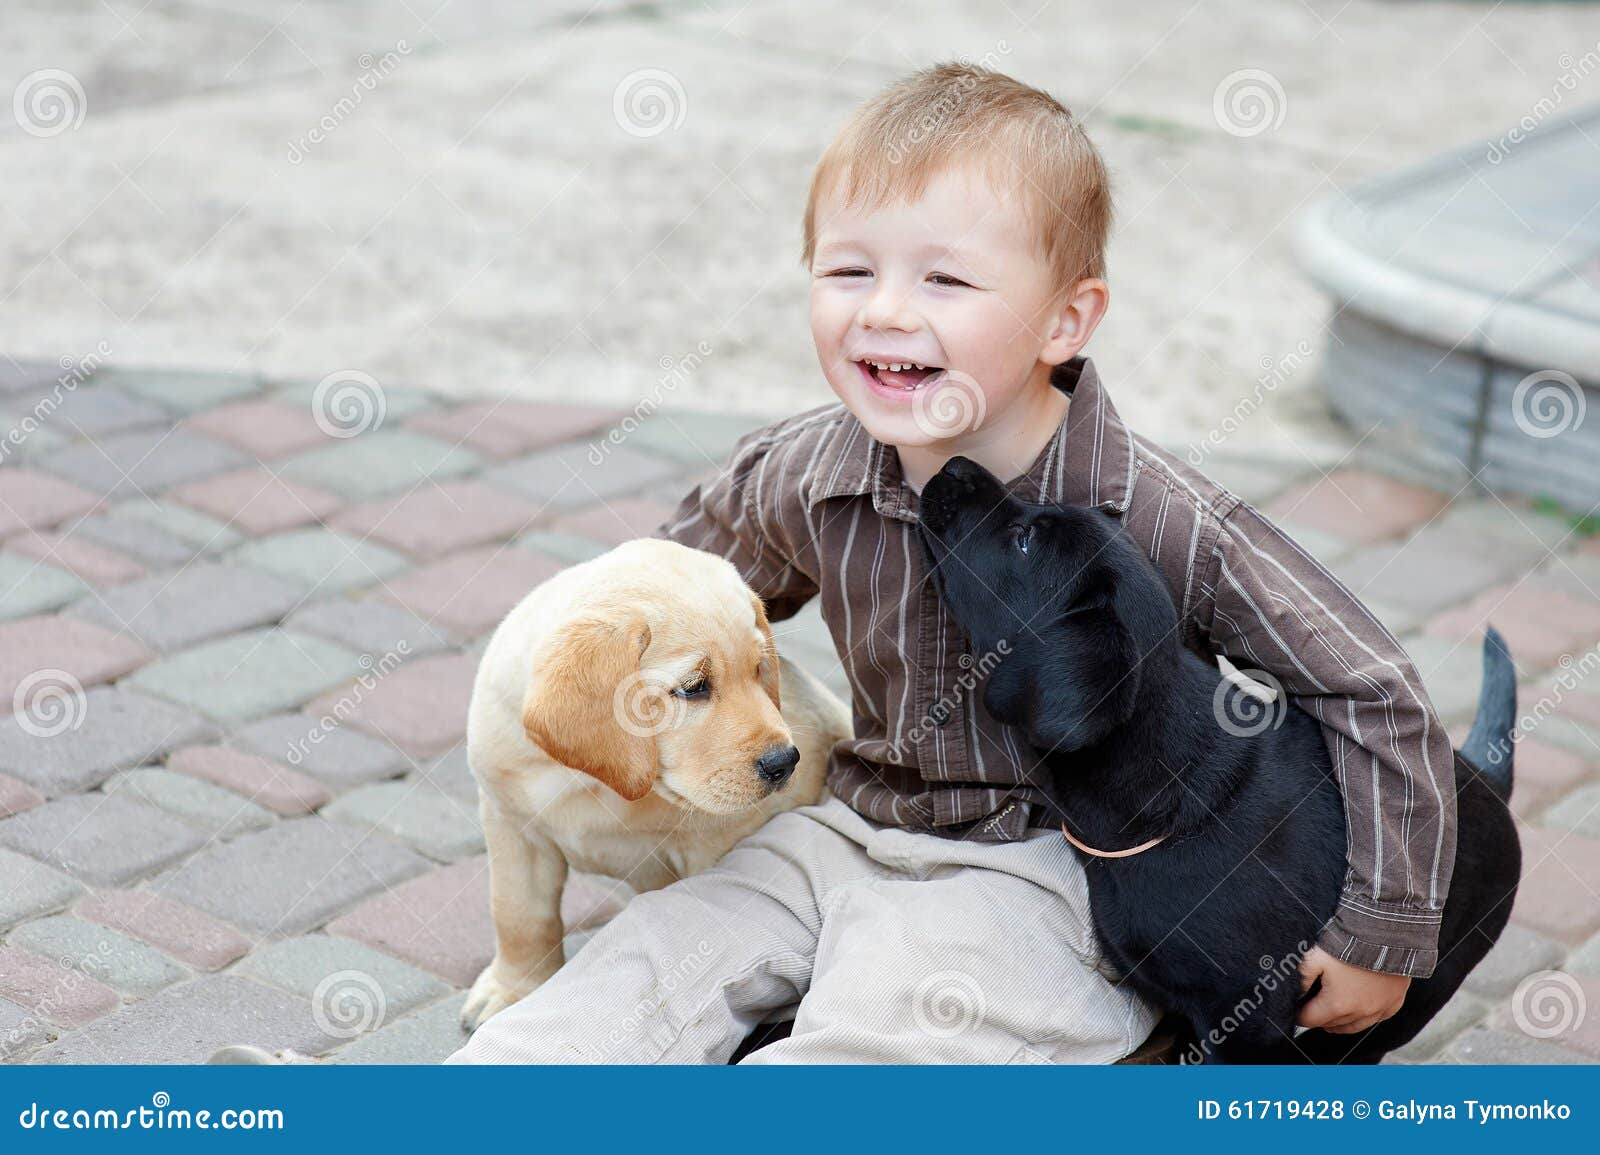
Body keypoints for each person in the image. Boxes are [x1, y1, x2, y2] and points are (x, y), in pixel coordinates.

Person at [445, 61, 1449, 1064]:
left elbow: (1370, 688)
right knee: (652, 958)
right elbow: (678, 602)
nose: (884, 310)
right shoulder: (802, 474)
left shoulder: (1155, 515)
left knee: (894, 1031)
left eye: (945, 279)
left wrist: (1382, 930)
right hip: (847, 824)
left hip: (1045, 871)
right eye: (848, 271)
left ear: (1064, 320)